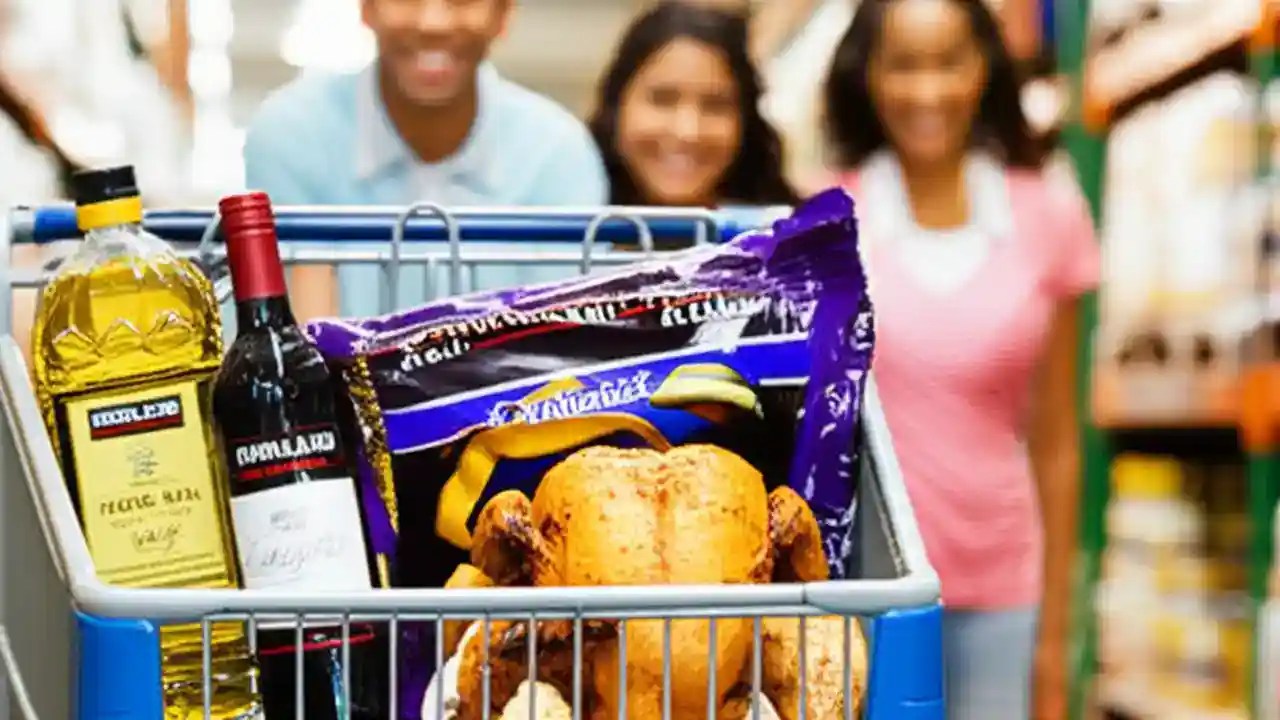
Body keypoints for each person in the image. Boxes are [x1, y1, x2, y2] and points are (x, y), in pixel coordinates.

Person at [822, 1, 1099, 719]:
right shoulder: (828, 217)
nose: (928, 90)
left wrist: (1056, 636)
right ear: (867, 75)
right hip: (866, 589)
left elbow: (1059, 440)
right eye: (903, 65)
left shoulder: (1048, 215)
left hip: (1005, 585)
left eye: (950, 62)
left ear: (985, 68)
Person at [242, 0, 608, 320]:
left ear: (503, 14)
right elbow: (304, 335)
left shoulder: (559, 152)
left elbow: (556, 340)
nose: (432, 22)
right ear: (366, 7)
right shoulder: (293, 132)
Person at [587, 2, 797, 209]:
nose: (688, 132)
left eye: (715, 106)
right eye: (663, 100)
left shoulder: (794, 235)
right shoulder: (565, 221)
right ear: (617, 104)